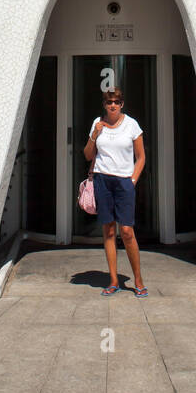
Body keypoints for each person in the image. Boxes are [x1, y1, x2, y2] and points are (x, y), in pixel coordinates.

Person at [83, 87, 147, 296]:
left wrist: (132, 181)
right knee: (109, 231)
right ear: (104, 104)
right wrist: (94, 135)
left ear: (121, 104)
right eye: (109, 102)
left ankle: (137, 280)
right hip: (102, 180)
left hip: (124, 182)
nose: (113, 105)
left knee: (127, 231)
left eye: (116, 102)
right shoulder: (97, 123)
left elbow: (141, 157)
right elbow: (87, 155)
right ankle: (113, 281)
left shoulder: (131, 125)